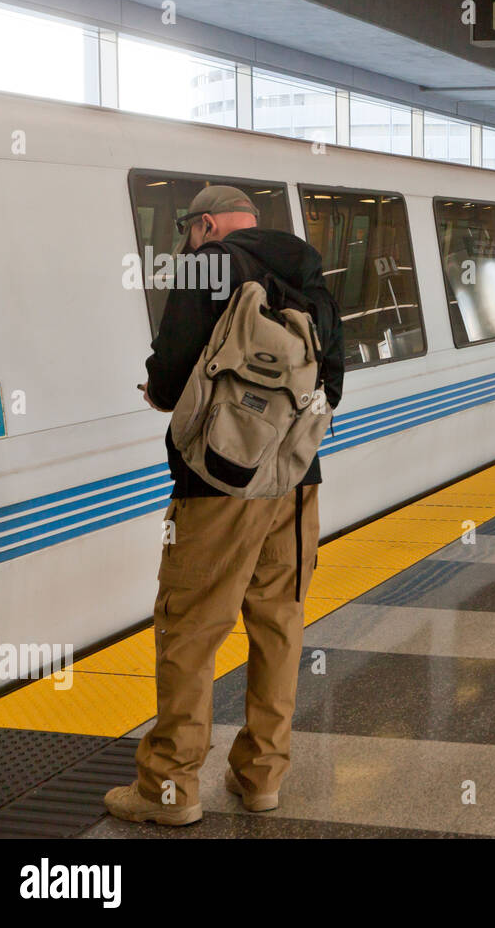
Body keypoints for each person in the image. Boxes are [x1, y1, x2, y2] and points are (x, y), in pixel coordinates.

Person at [105, 185, 345, 826]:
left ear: (204, 225)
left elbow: (172, 370)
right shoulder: (309, 271)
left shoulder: (205, 265)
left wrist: (163, 391)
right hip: (298, 482)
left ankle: (170, 788)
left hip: (217, 486)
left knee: (189, 629)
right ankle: (262, 776)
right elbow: (336, 381)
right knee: (279, 625)